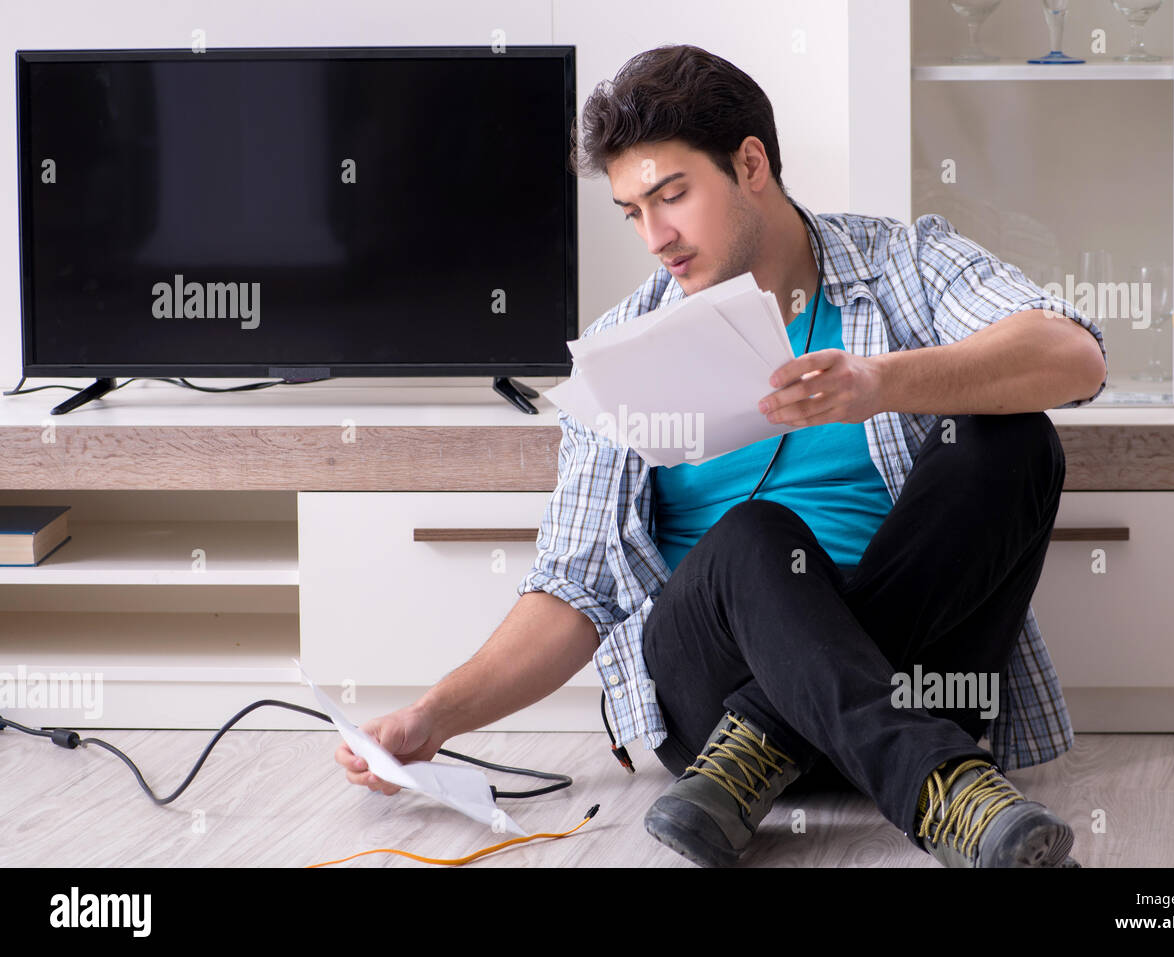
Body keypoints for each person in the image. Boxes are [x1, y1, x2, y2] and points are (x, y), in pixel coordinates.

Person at [336, 43, 1108, 868]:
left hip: (814, 733)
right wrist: (433, 717)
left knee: (1013, 436)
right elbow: (575, 588)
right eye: (633, 211)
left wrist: (881, 382)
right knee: (749, 534)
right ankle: (938, 788)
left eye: (672, 195)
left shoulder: (900, 266)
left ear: (751, 165)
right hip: (708, 702)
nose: (656, 237)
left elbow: (1073, 355)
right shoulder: (618, 354)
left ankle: (768, 734)